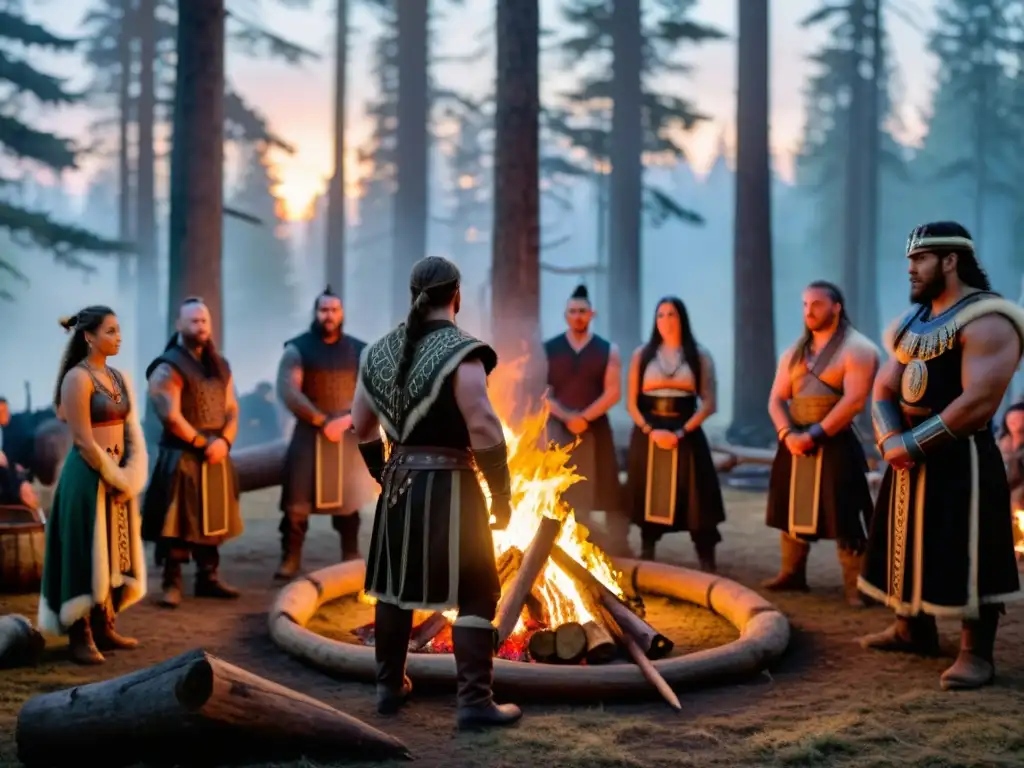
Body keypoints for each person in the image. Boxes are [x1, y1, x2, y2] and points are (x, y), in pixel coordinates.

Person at [351, 256, 521, 729]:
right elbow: (484, 424)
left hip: (398, 489)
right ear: (457, 296)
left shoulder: (377, 353)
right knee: (478, 590)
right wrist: (502, 495)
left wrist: (382, 473)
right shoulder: (463, 353)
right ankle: (473, 702)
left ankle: (389, 688)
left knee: (392, 590)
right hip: (452, 486)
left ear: (413, 295)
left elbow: (360, 425)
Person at [858, 221, 1024, 690]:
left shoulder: (989, 319)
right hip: (905, 454)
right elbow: (885, 387)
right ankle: (912, 628)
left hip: (962, 458)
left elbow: (978, 402)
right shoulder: (916, 321)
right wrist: (891, 438)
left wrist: (910, 445)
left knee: (968, 548)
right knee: (904, 542)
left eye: (920, 259)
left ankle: (977, 653)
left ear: (950, 261)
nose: (910, 268)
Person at [37, 307, 148, 664]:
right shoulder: (77, 379)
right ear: (89, 336)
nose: (118, 337)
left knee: (115, 552)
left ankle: (104, 623)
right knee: (85, 550)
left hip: (117, 474)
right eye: (111, 331)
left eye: (119, 331)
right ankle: (79, 632)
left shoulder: (116, 377)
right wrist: (113, 475)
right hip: (87, 476)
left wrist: (130, 473)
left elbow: (130, 428)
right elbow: (84, 441)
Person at [764, 281, 879, 606]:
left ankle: (856, 585)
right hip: (794, 440)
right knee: (792, 507)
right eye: (804, 304)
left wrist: (814, 435)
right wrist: (788, 435)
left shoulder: (858, 349)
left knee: (845, 510)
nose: (808, 311)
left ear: (836, 306)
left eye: (816, 304)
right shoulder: (794, 352)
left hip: (836, 441)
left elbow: (855, 401)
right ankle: (792, 573)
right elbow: (776, 399)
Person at [142, 298, 243, 607]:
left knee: (212, 517)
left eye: (204, 321)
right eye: (194, 321)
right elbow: (171, 416)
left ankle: (207, 577)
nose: (200, 326)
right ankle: (171, 582)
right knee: (177, 522)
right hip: (183, 454)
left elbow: (231, 409)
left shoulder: (220, 364)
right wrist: (203, 443)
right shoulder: (167, 367)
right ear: (179, 325)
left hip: (216, 452)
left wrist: (224, 442)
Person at [274, 287, 376, 579]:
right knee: (296, 502)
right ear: (316, 313)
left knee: (349, 501)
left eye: (334, 310)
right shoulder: (297, 349)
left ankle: (351, 556)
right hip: (309, 434)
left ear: (341, 313)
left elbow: (370, 392)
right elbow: (288, 391)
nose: (329, 315)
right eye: (323, 310)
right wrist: (321, 421)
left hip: (347, 434)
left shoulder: (359, 350)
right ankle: (290, 558)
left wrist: (345, 421)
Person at [624, 297, 725, 570]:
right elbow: (631, 403)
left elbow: (710, 403)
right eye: (660, 315)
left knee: (696, 496)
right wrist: (651, 430)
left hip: (686, 432)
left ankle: (706, 559)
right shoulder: (642, 354)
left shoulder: (699, 355)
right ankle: (647, 552)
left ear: (682, 318)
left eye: (672, 314)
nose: (666, 320)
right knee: (649, 491)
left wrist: (681, 432)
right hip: (648, 433)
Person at [542, 284, 625, 552]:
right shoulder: (549, 349)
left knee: (603, 486)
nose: (578, 316)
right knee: (558, 485)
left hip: (595, 427)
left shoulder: (607, 349)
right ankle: (556, 541)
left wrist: (584, 418)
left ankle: (612, 545)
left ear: (592, 314)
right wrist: (567, 417)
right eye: (573, 311)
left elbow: (613, 392)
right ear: (565, 315)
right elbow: (540, 392)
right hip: (557, 427)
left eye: (583, 311)